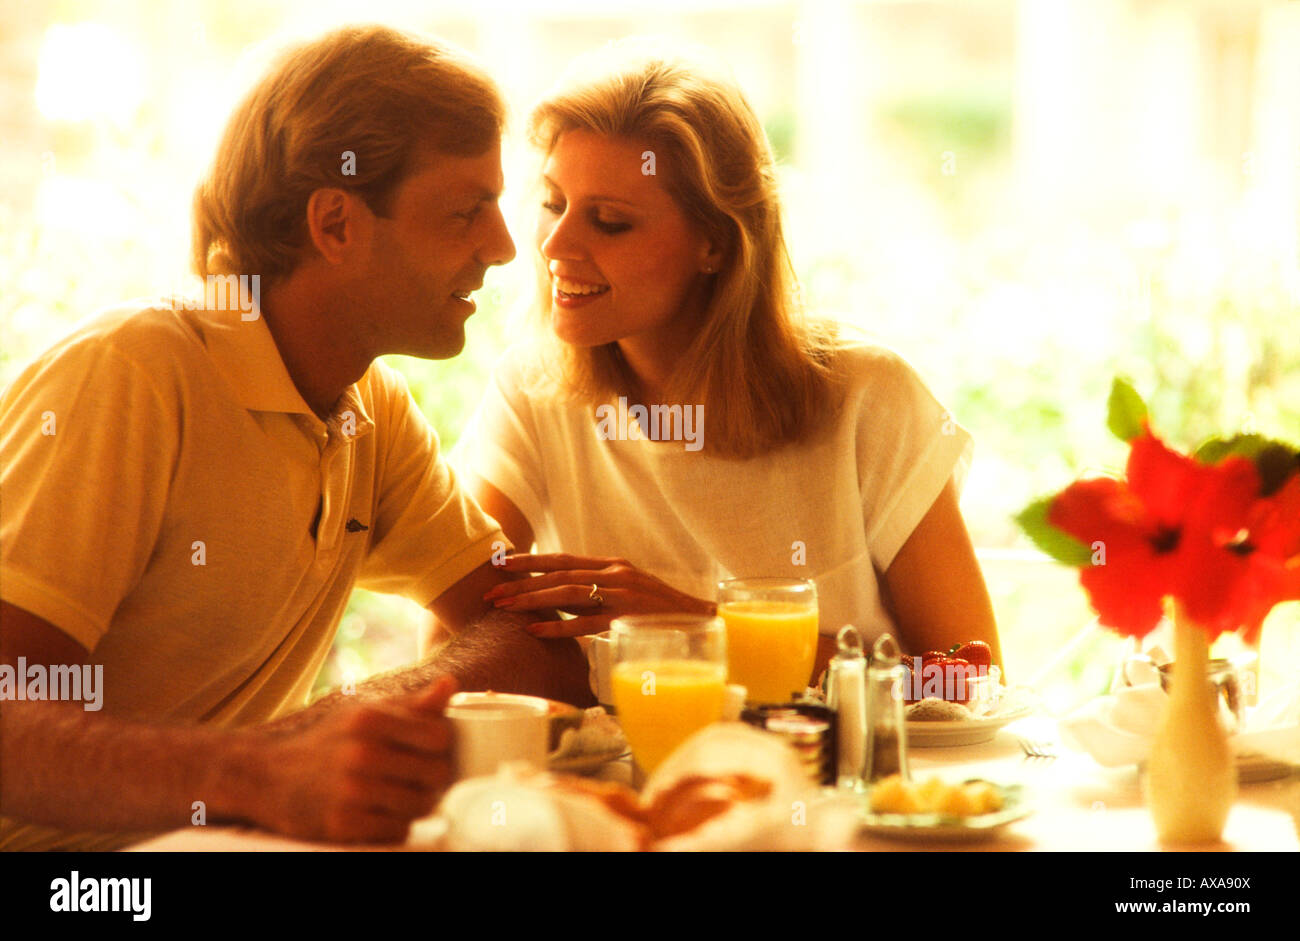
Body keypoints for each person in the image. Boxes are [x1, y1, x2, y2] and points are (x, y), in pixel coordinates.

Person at [0, 25, 592, 852]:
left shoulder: (368, 408)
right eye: (466, 211)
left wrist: (345, 721)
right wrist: (262, 770)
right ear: (337, 224)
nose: (502, 248)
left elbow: (535, 641)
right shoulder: (131, 376)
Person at [453, 39, 1003, 684]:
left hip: (837, 780)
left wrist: (701, 629)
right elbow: (458, 641)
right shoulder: (533, 390)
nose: (553, 243)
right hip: (620, 786)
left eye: (608, 221)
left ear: (715, 243)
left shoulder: (866, 397)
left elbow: (969, 680)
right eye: (552, 203)